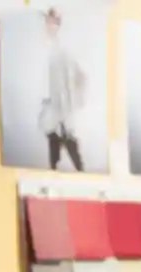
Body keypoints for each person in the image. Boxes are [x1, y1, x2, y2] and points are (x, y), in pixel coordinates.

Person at [38, 8, 86, 172]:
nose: (48, 25)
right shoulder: (47, 44)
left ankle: (78, 166)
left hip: (63, 97)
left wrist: (73, 97)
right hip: (52, 97)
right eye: (47, 22)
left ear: (57, 24)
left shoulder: (63, 46)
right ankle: (55, 164)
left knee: (67, 131)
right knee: (49, 127)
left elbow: (77, 73)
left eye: (52, 22)